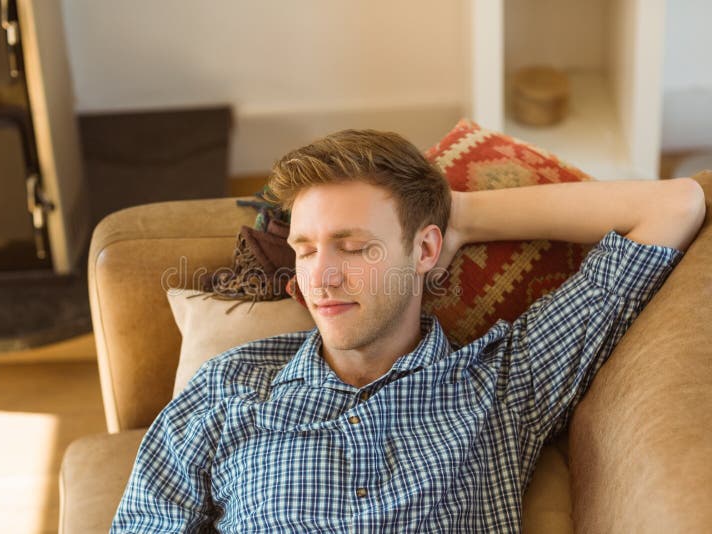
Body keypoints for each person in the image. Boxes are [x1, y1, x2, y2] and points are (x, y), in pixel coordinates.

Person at [111, 130, 705, 532]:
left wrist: (462, 219)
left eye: (353, 246)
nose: (321, 277)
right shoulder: (228, 389)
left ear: (424, 249)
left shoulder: (506, 384)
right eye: (306, 248)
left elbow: (675, 206)